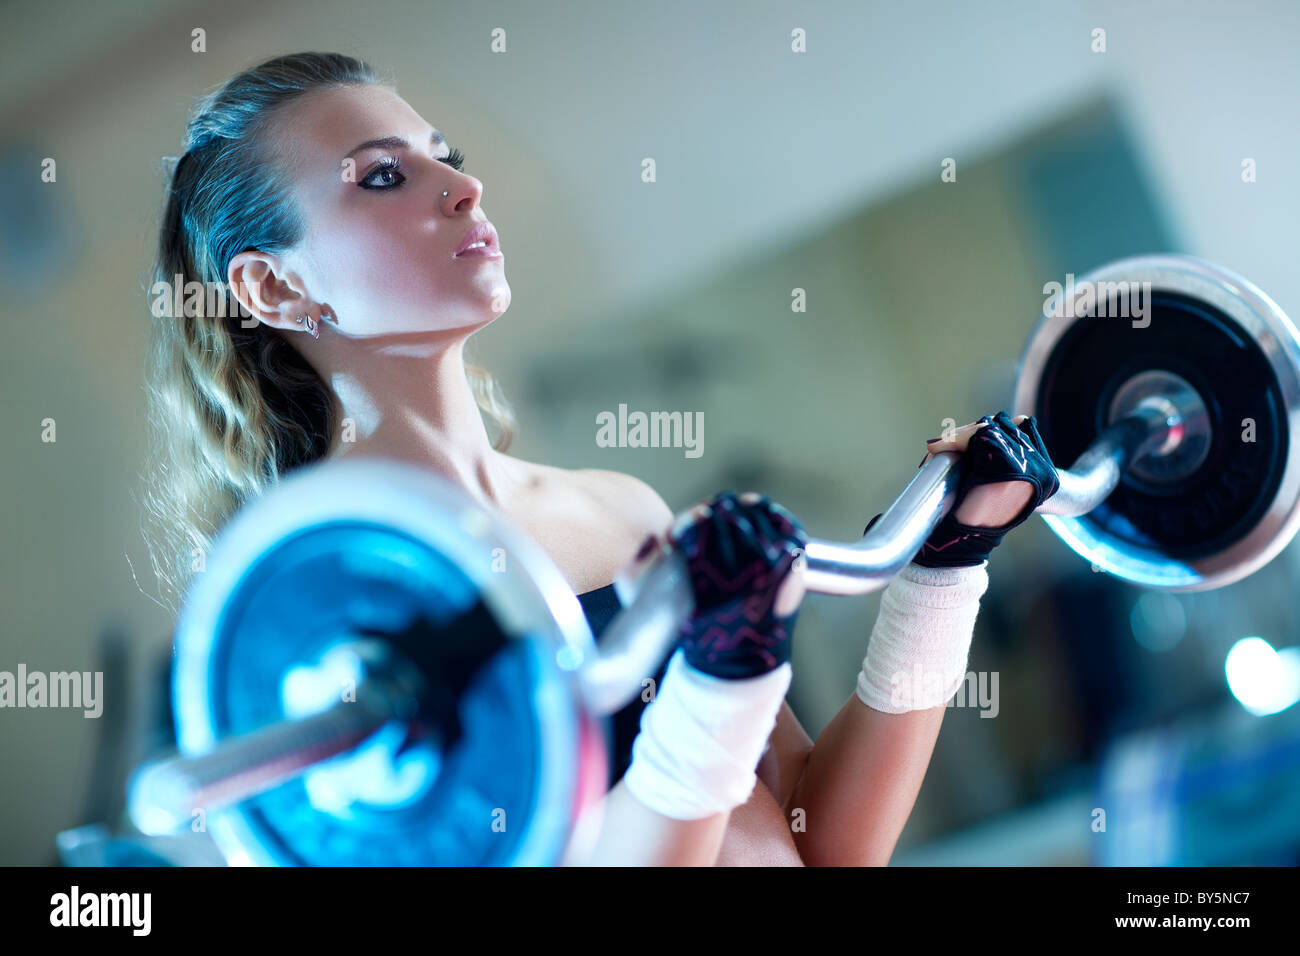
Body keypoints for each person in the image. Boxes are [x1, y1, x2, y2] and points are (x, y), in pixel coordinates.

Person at [142, 50, 1058, 866]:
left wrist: (945, 567)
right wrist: (712, 684)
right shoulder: (324, 620)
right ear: (273, 285)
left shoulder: (617, 512)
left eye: (444, 156)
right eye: (382, 176)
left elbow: (829, 841)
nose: (464, 188)